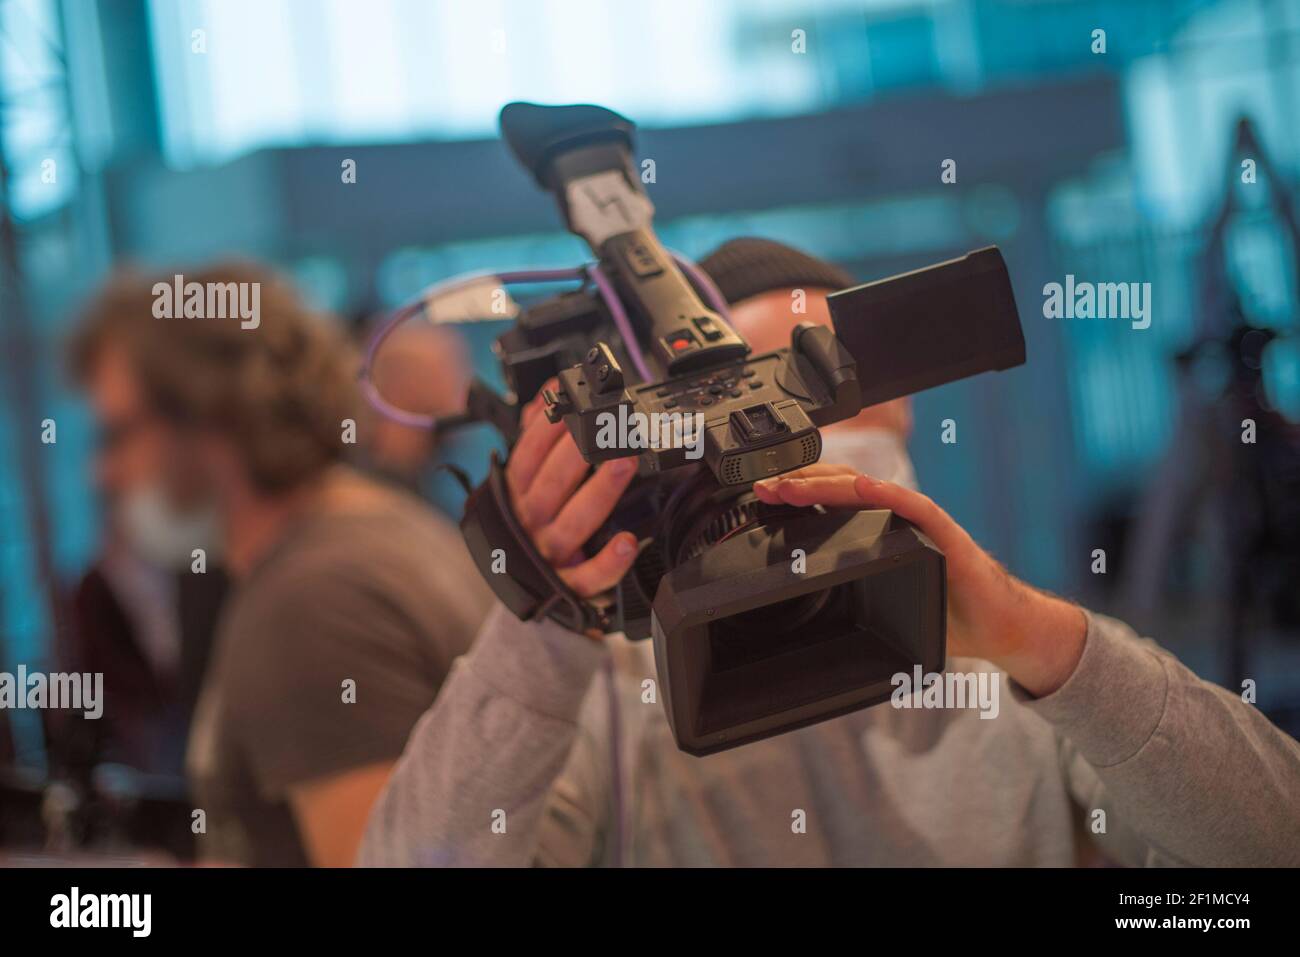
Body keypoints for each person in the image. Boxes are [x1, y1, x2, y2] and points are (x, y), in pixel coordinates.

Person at [359, 240, 1300, 867]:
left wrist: (1051, 650)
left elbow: (1271, 840)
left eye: (819, 410)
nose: (787, 455)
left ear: (903, 419)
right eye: (746, 424)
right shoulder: (611, 694)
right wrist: (545, 630)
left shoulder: (1021, 666)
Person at [69, 263, 493, 866]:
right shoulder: (376, 526)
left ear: (209, 420)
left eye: (121, 433)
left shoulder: (314, 603)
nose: (103, 473)